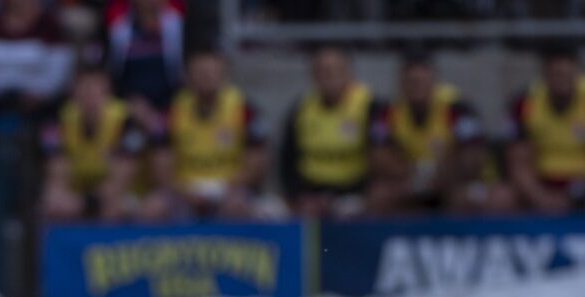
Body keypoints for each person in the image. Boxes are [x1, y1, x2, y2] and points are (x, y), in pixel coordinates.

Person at [367, 50, 509, 215]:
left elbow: (472, 158)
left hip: (456, 180)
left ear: (434, 80)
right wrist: (418, 178)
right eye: (411, 82)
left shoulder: (457, 109)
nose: (417, 88)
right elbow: (379, 157)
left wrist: (440, 177)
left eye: (422, 81)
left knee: (464, 197)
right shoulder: (389, 113)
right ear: (401, 83)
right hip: (412, 180)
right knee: (380, 195)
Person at [504, 45, 585, 214]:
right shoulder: (525, 103)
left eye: (566, 75)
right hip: (541, 184)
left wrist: (575, 193)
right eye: (555, 75)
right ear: (544, 74)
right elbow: (517, 161)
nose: (561, 82)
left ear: (577, 73)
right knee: (501, 197)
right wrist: (540, 196)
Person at [144, 49, 269, 221]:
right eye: (201, 72)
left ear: (225, 75)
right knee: (153, 208)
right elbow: (161, 169)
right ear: (187, 77)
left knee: (238, 207)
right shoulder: (170, 111)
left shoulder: (245, 110)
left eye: (213, 72)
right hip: (184, 188)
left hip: (229, 187)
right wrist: (185, 193)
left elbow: (256, 166)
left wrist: (226, 190)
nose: (208, 78)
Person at [279, 46, 383, 219]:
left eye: (335, 70)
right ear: (313, 76)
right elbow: (288, 158)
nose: (329, 76)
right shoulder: (301, 108)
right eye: (322, 71)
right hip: (311, 194)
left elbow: (381, 157)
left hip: (356, 193)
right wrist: (298, 196)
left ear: (349, 72)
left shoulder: (370, 106)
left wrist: (363, 193)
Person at [39, 62, 146, 220]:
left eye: (95, 87)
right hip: (78, 193)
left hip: (122, 194)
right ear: (73, 91)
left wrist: (90, 203)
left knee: (112, 207)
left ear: (107, 90)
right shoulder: (58, 119)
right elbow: (56, 172)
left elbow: (122, 175)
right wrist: (75, 200)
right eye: (83, 87)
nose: (89, 94)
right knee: (50, 200)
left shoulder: (127, 121)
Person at [0, 0, 73, 136]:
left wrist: (41, 93)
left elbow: (59, 69)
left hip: (27, 105)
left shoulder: (49, 29)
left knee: (5, 128)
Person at [105, 0, 184, 132]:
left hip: (170, 104)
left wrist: (168, 108)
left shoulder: (178, 24)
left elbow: (182, 75)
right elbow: (113, 76)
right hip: (130, 106)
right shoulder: (118, 28)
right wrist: (129, 103)